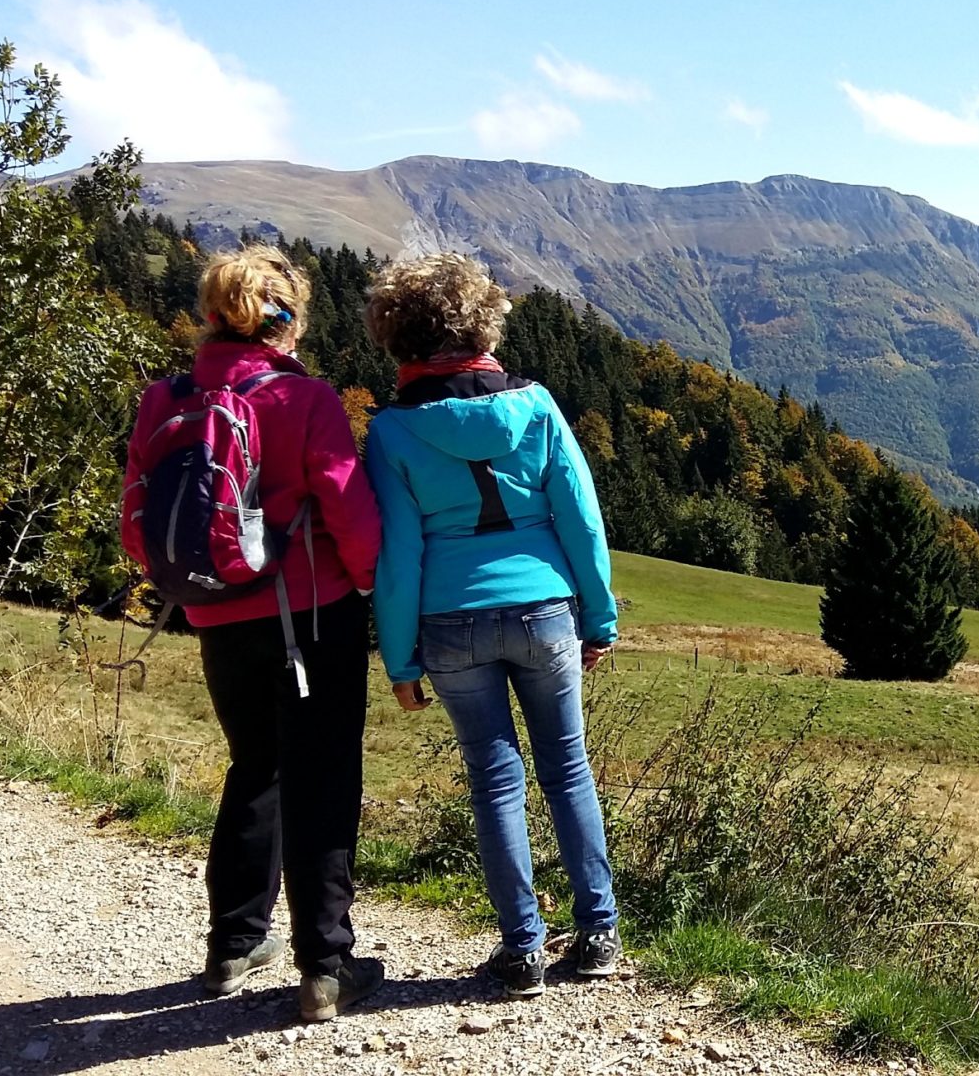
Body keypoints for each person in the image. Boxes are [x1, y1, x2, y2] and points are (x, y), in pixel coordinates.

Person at [119, 245, 385, 1021]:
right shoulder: (305, 398)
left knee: (254, 767)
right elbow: (350, 511)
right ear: (287, 321)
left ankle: (233, 946)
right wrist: (370, 584)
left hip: (214, 614)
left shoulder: (165, 399)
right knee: (322, 778)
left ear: (211, 316)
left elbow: (139, 519)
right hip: (312, 615)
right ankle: (326, 966)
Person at [363, 253, 621, 998]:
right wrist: (599, 618)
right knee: (567, 768)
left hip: (449, 623)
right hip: (546, 612)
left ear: (397, 333)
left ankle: (522, 949)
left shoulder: (391, 432)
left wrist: (401, 661)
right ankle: (598, 934)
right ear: (483, 324)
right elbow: (581, 519)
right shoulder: (536, 405)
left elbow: (399, 556)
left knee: (494, 779)